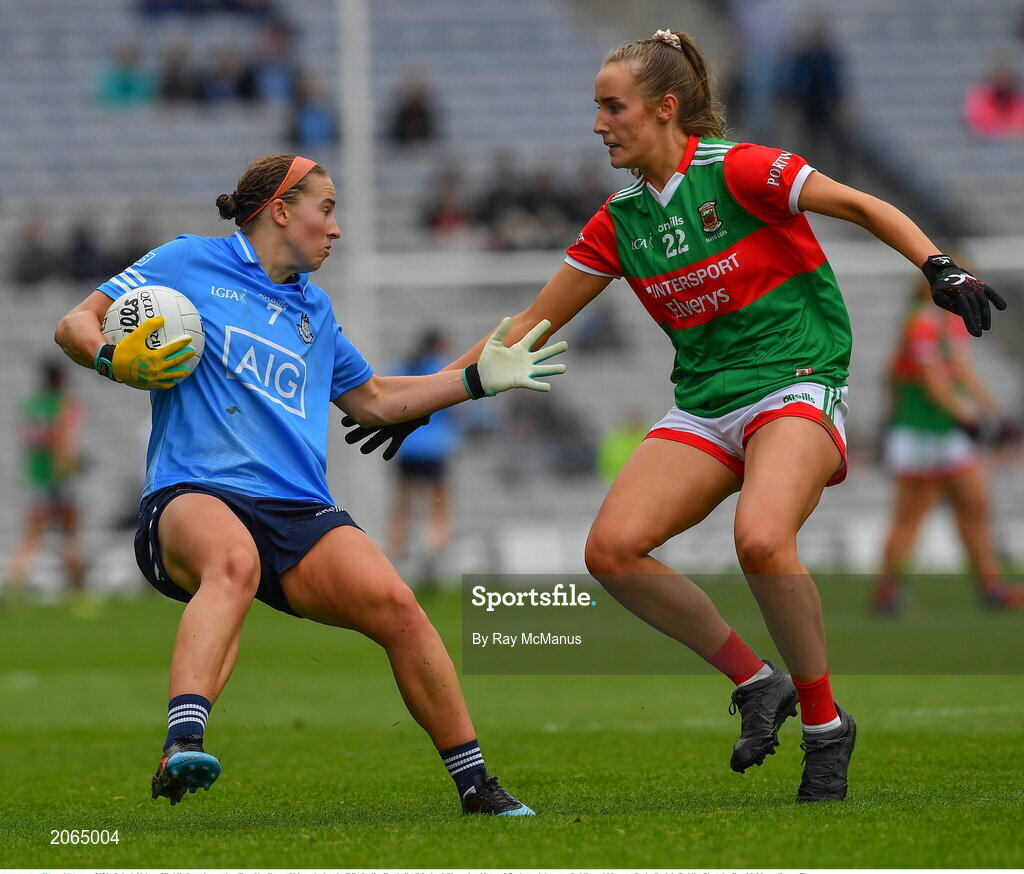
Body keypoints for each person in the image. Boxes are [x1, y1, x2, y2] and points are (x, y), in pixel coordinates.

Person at [343, 29, 1008, 803]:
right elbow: (528, 323)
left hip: (795, 379)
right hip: (705, 401)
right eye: (596, 107)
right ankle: (759, 684)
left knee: (761, 537)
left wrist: (939, 265)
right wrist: (425, 397)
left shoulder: (742, 169)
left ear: (664, 109)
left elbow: (858, 202)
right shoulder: (619, 221)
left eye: (611, 106)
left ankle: (826, 729)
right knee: (613, 550)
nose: (597, 124)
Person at [54, 153, 568, 815]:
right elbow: (74, 324)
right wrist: (112, 360)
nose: (336, 228)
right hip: (194, 491)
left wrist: (474, 380)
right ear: (280, 210)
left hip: (297, 510)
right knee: (232, 562)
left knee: (400, 608)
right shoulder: (187, 261)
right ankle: (182, 743)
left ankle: (476, 787)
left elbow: (376, 399)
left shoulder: (314, 313)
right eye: (326, 209)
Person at [874, 277, 1023, 614]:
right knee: (910, 517)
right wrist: (972, 418)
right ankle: (887, 592)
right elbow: (933, 382)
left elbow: (960, 371)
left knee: (975, 504)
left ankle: (992, 587)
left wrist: (994, 413)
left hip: (944, 432)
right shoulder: (921, 321)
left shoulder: (947, 322)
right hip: (921, 433)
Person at [4, 360, 87, 605]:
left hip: (36, 476)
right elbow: (63, 442)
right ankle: (76, 594)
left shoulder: (31, 406)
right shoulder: (64, 405)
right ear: (60, 379)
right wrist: (70, 469)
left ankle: (14, 587)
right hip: (58, 478)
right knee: (70, 535)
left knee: (32, 536)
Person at [385, 329, 461, 590]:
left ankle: (395, 553)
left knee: (403, 504)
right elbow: (456, 409)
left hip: (406, 448)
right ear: (438, 345)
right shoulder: (441, 367)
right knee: (439, 503)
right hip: (435, 449)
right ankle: (431, 550)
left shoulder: (402, 367)